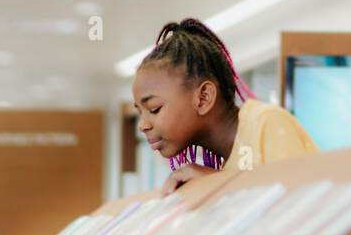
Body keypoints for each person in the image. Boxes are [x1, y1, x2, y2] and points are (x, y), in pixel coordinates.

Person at [131, 18, 317, 193]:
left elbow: (300, 204)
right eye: (140, 112)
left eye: (154, 109)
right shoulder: (224, 165)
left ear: (204, 97)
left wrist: (217, 182)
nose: (143, 125)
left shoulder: (266, 122)